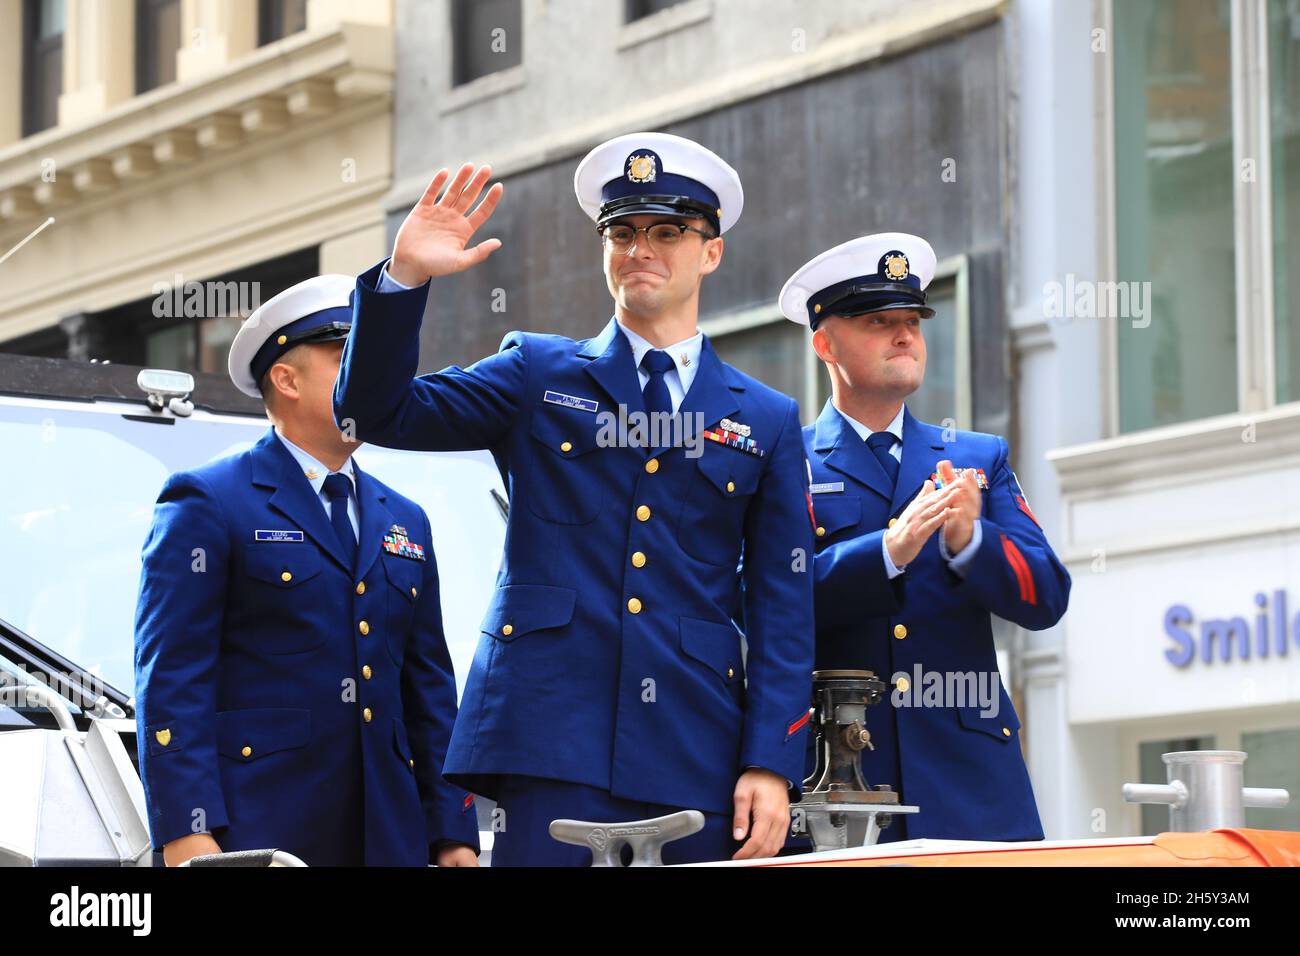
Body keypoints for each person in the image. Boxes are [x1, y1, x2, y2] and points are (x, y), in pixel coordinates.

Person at [333, 132, 815, 865]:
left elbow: (784, 602)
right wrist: (403, 282)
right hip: (551, 742)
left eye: (667, 232)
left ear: (710, 252)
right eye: (621, 232)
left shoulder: (767, 418)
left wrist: (772, 762)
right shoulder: (538, 372)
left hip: (697, 747)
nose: (639, 248)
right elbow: (373, 414)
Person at [134, 275, 479, 866]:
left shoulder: (406, 519)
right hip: (263, 830)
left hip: (390, 837)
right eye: (349, 357)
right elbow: (172, 677)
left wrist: (452, 832)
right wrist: (185, 831)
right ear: (286, 379)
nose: (374, 374)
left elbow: (429, 693)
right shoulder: (209, 500)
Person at [779, 233, 1070, 842]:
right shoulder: (789, 461)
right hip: (841, 783)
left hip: (970, 785)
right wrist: (887, 551)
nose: (905, 336)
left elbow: (1046, 596)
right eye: (880, 321)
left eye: (913, 321)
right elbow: (769, 604)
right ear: (824, 343)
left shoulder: (977, 458)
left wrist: (972, 539)